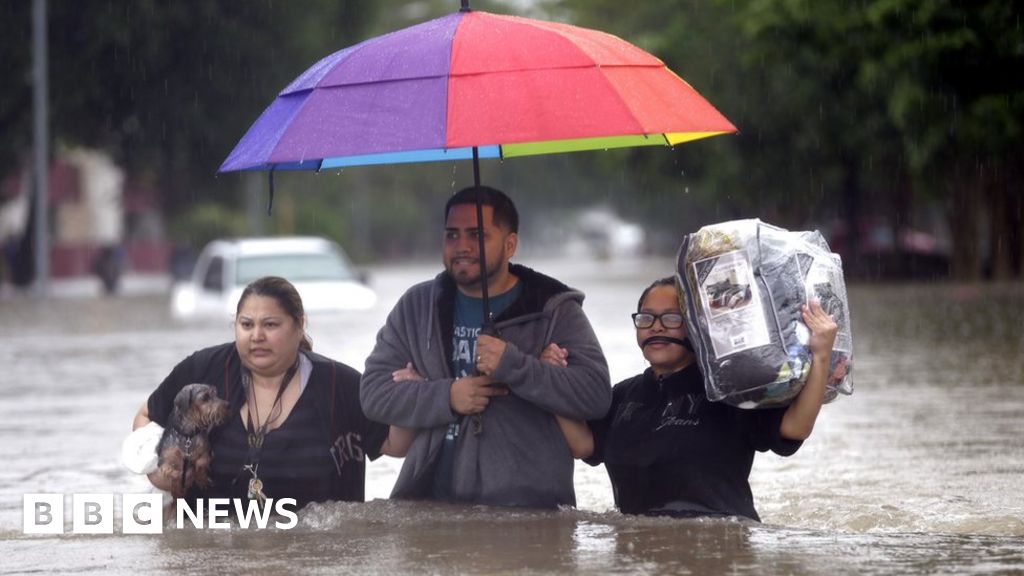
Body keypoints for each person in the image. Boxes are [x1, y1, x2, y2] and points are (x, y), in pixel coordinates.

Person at [359, 185, 611, 508]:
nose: (461, 246)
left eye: (477, 235)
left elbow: (595, 395)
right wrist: (447, 395)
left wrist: (515, 365)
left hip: (529, 514)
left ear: (510, 245)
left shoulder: (552, 310)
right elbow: (374, 395)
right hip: (426, 506)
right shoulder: (417, 306)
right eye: (452, 235)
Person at [572, 276, 837, 521]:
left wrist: (821, 355)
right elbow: (584, 445)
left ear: (698, 327)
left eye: (671, 319)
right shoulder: (623, 395)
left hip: (720, 549)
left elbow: (794, 428)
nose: (655, 328)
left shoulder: (729, 388)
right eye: (646, 319)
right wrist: (549, 377)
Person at [132, 276, 410, 509]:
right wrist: (155, 468)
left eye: (270, 325)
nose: (257, 336)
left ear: (300, 325)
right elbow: (146, 415)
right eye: (246, 325)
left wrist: (408, 396)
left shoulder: (339, 384)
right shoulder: (203, 370)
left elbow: (396, 444)